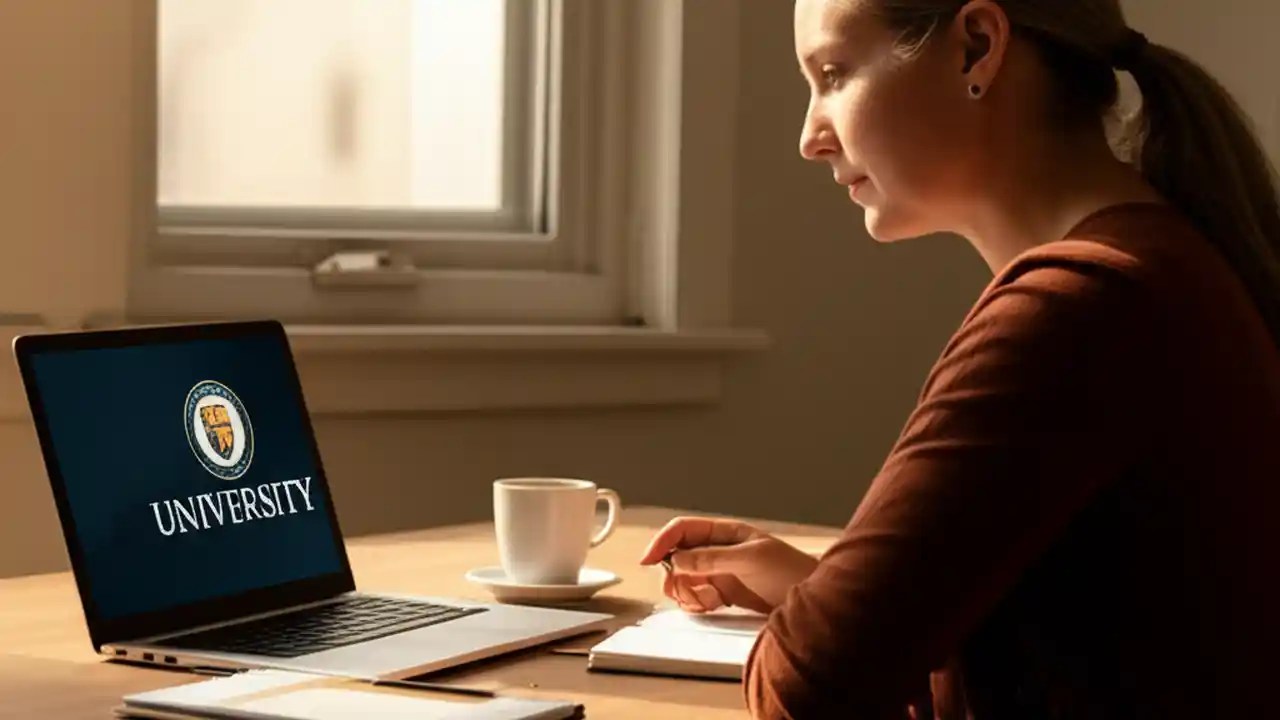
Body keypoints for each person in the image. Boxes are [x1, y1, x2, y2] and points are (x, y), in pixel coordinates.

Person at [639, 0, 1280, 717]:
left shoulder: (1080, 308)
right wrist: (824, 590)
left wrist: (817, 627)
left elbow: (809, 691)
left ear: (976, 47)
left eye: (833, 73)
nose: (809, 137)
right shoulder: (1158, 266)